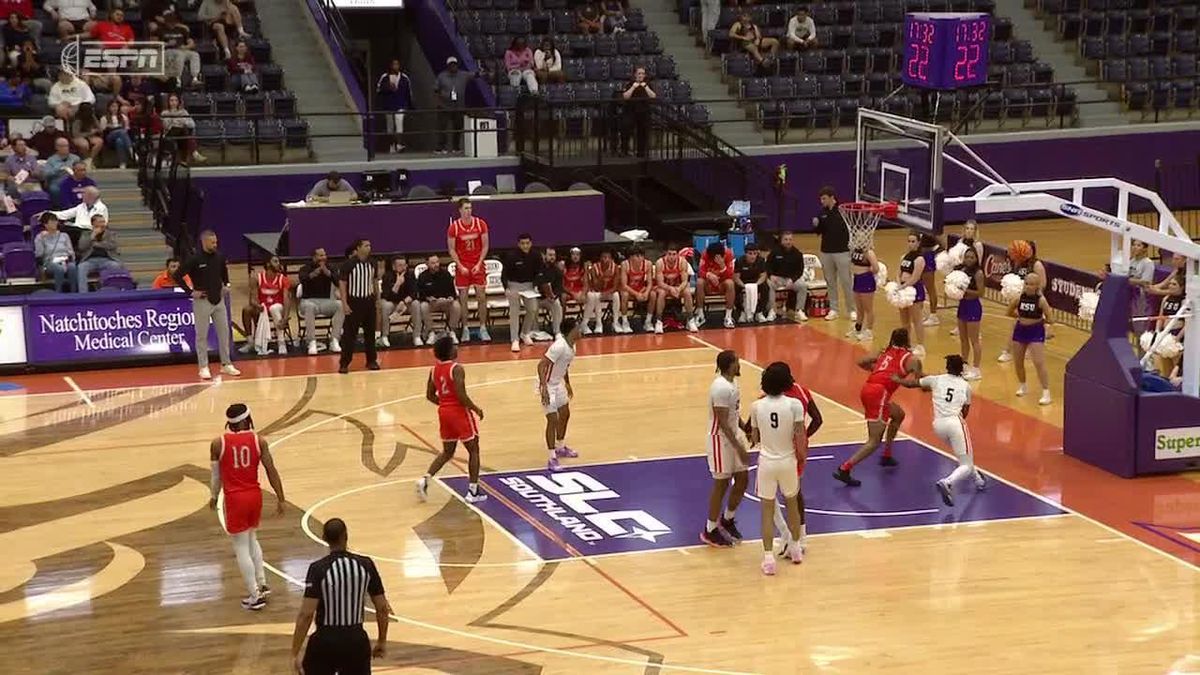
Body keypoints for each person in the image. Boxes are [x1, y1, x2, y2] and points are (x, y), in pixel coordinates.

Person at [208, 403, 284, 611]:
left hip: (235, 498)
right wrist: (280, 497)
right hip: (255, 495)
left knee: (241, 547)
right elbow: (271, 470)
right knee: (252, 539)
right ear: (248, 419)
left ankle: (254, 594)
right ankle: (262, 583)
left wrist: (214, 497)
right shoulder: (259, 441)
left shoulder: (218, 443)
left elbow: (215, 477)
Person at [292, 519, 391, 675]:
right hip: (356, 640)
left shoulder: (318, 569)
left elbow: (306, 614)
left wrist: (295, 652)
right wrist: (381, 640)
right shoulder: (366, 565)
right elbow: (382, 608)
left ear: (324, 538)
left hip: (325, 641)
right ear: (346, 536)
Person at [834, 328, 922, 487]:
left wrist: (877, 370)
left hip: (869, 388)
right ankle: (845, 468)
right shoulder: (912, 359)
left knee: (899, 415)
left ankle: (887, 455)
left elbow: (861, 362)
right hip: (879, 393)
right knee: (874, 440)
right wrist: (901, 380)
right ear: (908, 340)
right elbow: (917, 383)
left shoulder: (884, 353)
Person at [894, 355, 986, 507]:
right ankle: (947, 482)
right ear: (961, 369)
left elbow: (911, 384)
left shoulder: (936, 379)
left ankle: (978, 480)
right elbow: (965, 411)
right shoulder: (965, 386)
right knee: (966, 463)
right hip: (955, 424)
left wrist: (897, 380)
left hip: (938, 425)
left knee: (962, 456)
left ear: (947, 367)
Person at [750, 362, 809, 574]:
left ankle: (768, 559)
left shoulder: (756, 406)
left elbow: (755, 437)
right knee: (792, 505)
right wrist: (801, 457)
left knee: (767, 511)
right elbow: (800, 435)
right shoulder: (795, 405)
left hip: (767, 461)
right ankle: (795, 548)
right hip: (788, 460)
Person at [417, 335, 487, 503]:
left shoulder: (434, 370)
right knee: (474, 450)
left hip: (444, 412)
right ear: (449, 351)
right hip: (458, 412)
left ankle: (425, 479)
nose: (457, 348)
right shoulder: (456, 368)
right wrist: (475, 408)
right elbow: (461, 396)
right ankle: (473, 491)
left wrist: (445, 404)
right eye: (454, 346)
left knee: (447, 452)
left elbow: (429, 395)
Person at [176, 230, 240, 380]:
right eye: (212, 242)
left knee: (224, 333)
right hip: (202, 301)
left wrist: (227, 285)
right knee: (201, 335)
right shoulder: (194, 259)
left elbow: (224, 273)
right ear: (204, 242)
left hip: (219, 300)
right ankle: (203, 366)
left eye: (216, 242)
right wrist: (190, 292)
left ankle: (226, 364)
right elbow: (177, 275)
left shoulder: (219, 256)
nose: (215, 244)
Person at [702, 349, 750, 548]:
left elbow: (733, 413)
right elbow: (722, 421)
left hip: (733, 434)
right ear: (729, 365)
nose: (740, 365)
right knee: (721, 485)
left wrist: (745, 427)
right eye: (737, 361)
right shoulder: (720, 388)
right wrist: (738, 446)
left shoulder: (733, 383)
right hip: (720, 439)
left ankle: (728, 519)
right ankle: (710, 530)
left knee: (742, 479)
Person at [539, 318, 582, 471]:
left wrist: (568, 383)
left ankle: (560, 447)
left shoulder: (572, 347)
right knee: (553, 419)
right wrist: (543, 388)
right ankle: (551, 458)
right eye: (578, 328)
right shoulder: (559, 346)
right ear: (571, 331)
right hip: (547, 385)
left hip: (558, 384)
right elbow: (541, 365)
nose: (580, 330)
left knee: (565, 413)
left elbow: (564, 366)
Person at [447, 198, 490, 343]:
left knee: (481, 298)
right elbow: (451, 249)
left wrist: (479, 263)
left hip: (477, 264)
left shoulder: (480, 224)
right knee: (463, 300)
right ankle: (465, 328)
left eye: (470, 208)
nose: (468, 211)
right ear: (460, 210)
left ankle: (483, 327)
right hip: (462, 266)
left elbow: (485, 246)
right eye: (466, 208)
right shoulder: (454, 227)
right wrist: (459, 265)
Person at [996, 239, 1046, 363]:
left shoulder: (1037, 265)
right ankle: (1010, 351)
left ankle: (1010, 351)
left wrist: (1033, 296)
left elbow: (1043, 284)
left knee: (1023, 325)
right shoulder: (1018, 263)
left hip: (1034, 300)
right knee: (1018, 324)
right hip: (1022, 299)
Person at [1008, 272, 1053, 405]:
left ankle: (1046, 392)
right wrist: (1021, 317)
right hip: (1020, 330)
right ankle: (1023, 385)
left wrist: (1040, 322)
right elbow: (1008, 311)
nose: (1028, 286)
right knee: (1018, 361)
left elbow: (1050, 318)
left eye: (1032, 284)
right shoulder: (1019, 298)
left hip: (1036, 331)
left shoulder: (1041, 300)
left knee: (1039, 362)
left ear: (1037, 286)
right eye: (1026, 283)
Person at [338, 238, 381, 374]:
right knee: (349, 335)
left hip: (368, 301)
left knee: (370, 333)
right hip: (354, 302)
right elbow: (343, 284)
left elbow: (375, 282)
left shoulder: (373, 263)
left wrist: (377, 299)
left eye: (370, 245)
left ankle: (371, 360)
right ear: (358, 248)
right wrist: (344, 303)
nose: (369, 248)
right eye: (366, 245)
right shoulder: (349, 264)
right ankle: (344, 363)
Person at [813, 186, 853, 322]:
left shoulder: (843, 211)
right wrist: (816, 225)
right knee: (830, 282)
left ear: (831, 197)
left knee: (846, 281)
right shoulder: (822, 213)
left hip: (842, 252)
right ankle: (834, 309)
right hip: (826, 252)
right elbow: (819, 232)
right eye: (821, 199)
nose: (822, 201)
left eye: (824, 198)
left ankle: (852, 310)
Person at [297, 247, 345, 355]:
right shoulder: (305, 268)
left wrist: (328, 273)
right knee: (309, 307)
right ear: (314, 257)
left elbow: (338, 282)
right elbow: (302, 280)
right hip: (308, 301)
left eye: (324, 255)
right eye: (321, 255)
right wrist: (313, 274)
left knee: (341, 306)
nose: (324, 257)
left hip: (325, 301)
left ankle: (334, 340)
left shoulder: (330, 268)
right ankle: (312, 341)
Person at [244, 254, 290, 357]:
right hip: (263, 308)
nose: (278, 264)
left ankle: (281, 342)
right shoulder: (257, 278)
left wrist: (285, 318)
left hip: (278, 307)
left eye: (278, 261)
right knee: (247, 310)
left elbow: (287, 300)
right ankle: (250, 341)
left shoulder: (283, 279)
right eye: (275, 261)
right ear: (268, 264)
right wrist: (258, 306)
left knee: (274, 308)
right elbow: (252, 300)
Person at [504, 232, 542, 352]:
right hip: (513, 285)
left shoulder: (536, 255)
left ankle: (525, 333)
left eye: (527, 243)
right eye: (522, 243)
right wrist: (507, 288)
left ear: (531, 243)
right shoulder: (511, 256)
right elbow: (504, 274)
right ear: (518, 244)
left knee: (533, 309)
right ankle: (514, 339)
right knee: (514, 311)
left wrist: (536, 285)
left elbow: (540, 273)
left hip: (529, 285)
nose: (525, 246)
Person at [955, 247, 985, 380]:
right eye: (967, 257)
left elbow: (980, 293)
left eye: (972, 257)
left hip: (973, 306)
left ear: (976, 259)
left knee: (974, 340)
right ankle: (965, 364)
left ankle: (976, 369)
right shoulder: (961, 270)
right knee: (963, 338)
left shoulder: (978, 273)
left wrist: (965, 290)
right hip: (963, 305)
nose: (969, 259)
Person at [417, 255, 462, 344]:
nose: (436, 265)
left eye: (437, 262)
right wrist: (428, 298)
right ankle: (431, 332)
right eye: (433, 263)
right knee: (423, 306)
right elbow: (420, 295)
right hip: (432, 303)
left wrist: (450, 298)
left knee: (456, 305)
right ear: (427, 264)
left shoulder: (446, 274)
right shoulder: (423, 276)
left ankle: (451, 330)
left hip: (445, 302)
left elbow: (452, 292)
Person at [75, 214, 124, 292]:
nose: (103, 224)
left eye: (103, 222)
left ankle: (115, 290)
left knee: (115, 265)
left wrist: (96, 244)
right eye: (100, 222)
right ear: (93, 223)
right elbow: (81, 247)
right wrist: (92, 236)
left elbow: (112, 245)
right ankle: (83, 294)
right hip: (90, 260)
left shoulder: (110, 234)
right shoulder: (86, 234)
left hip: (107, 259)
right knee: (81, 267)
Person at [654, 242, 696, 333]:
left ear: (677, 255)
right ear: (666, 254)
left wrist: (678, 289)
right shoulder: (660, 263)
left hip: (677, 287)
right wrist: (670, 288)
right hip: (664, 287)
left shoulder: (682, 262)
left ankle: (690, 320)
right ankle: (659, 321)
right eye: (669, 254)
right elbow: (660, 283)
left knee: (687, 292)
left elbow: (685, 281)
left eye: (674, 254)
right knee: (661, 293)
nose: (671, 257)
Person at [766, 231, 808, 322]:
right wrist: (771, 275)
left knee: (803, 286)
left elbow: (800, 271)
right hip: (778, 279)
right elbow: (767, 266)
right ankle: (772, 310)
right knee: (769, 285)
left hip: (791, 280)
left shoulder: (797, 254)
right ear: (781, 240)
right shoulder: (774, 252)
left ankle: (799, 310)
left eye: (790, 239)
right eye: (786, 239)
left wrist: (792, 280)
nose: (788, 242)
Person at [897, 233, 928, 358]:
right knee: (904, 320)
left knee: (917, 319)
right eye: (909, 241)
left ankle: (920, 346)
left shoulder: (920, 259)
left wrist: (903, 287)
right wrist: (899, 284)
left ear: (918, 243)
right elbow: (898, 272)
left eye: (913, 241)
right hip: (903, 288)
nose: (911, 243)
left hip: (914, 289)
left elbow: (915, 277)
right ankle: (906, 343)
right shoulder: (904, 257)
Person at [379, 255, 419, 347]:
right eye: (400, 265)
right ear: (393, 267)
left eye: (404, 265)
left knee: (416, 304)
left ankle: (416, 336)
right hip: (393, 303)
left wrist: (404, 302)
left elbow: (414, 293)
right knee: (385, 305)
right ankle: (385, 336)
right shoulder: (387, 276)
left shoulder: (410, 274)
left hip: (406, 303)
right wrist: (397, 284)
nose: (403, 267)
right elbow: (387, 296)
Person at [695, 241, 737, 329]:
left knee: (730, 283)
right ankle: (700, 315)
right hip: (708, 285)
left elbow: (731, 275)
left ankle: (728, 316)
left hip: (721, 284)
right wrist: (708, 275)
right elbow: (700, 271)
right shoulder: (705, 254)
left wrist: (722, 266)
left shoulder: (729, 254)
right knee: (699, 282)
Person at [435, 56, 471, 154]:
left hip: (459, 107)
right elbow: (436, 90)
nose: (453, 67)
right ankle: (441, 147)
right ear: (448, 66)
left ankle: (456, 147)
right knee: (442, 127)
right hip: (444, 106)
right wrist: (438, 102)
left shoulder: (463, 75)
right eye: (451, 65)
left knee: (458, 127)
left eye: (455, 65)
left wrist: (485, 74)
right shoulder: (441, 76)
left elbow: (474, 75)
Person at [376, 58, 411, 152]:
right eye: (394, 64)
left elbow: (408, 93)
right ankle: (392, 145)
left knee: (399, 124)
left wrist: (408, 106)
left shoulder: (404, 78)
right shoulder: (384, 77)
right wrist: (388, 87)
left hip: (400, 105)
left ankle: (399, 144)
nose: (395, 66)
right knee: (390, 128)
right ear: (390, 65)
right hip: (388, 106)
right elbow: (378, 90)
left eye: (397, 64)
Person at [34, 212, 75, 292]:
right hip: (50, 262)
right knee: (59, 269)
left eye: (55, 221)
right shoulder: (40, 237)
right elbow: (39, 254)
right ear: (45, 225)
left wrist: (69, 258)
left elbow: (71, 252)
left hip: (65, 260)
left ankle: (74, 292)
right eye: (51, 222)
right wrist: (44, 239)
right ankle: (58, 292)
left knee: (72, 267)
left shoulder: (64, 235)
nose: (54, 223)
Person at [848, 235, 879, 341]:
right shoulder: (855, 251)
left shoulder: (869, 252)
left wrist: (866, 272)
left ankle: (869, 332)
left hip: (866, 280)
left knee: (868, 308)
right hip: (856, 279)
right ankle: (858, 329)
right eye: (858, 238)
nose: (859, 240)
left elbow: (876, 268)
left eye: (862, 238)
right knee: (859, 308)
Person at [620, 66, 655, 158]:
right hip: (631, 111)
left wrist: (646, 87)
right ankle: (624, 150)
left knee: (643, 132)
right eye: (639, 73)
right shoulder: (630, 84)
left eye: (643, 73)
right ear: (635, 74)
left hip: (644, 112)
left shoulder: (647, 84)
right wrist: (633, 87)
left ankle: (641, 152)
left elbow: (653, 96)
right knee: (626, 130)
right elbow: (625, 96)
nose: (641, 75)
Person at [618, 245, 654, 332]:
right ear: (630, 257)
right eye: (637, 256)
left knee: (653, 294)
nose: (640, 258)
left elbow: (650, 283)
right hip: (629, 289)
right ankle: (625, 322)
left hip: (641, 289)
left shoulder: (648, 264)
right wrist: (636, 294)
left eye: (641, 255)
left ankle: (648, 321)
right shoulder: (625, 264)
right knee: (625, 295)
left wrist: (645, 292)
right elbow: (624, 285)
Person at [586, 247, 619, 334]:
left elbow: (616, 286)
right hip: (598, 291)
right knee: (596, 296)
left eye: (608, 257)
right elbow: (596, 286)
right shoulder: (594, 267)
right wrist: (603, 276)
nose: (606, 259)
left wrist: (607, 293)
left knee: (616, 295)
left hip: (609, 291)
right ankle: (599, 324)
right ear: (600, 258)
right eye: (604, 257)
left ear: (611, 259)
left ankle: (615, 323)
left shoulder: (615, 267)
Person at [735, 242, 769, 323]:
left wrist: (756, 285)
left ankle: (759, 312)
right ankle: (742, 313)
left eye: (755, 253)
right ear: (745, 254)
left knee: (766, 287)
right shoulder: (739, 261)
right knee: (734, 288)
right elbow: (736, 277)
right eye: (750, 254)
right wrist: (744, 286)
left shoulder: (761, 260)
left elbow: (763, 275)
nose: (753, 256)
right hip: (743, 282)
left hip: (756, 282)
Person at [535, 247, 565, 338]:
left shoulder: (557, 271)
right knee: (532, 305)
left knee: (557, 304)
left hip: (549, 299)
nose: (552, 257)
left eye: (554, 255)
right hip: (536, 298)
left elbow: (559, 288)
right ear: (545, 256)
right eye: (550, 255)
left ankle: (557, 331)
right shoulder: (537, 269)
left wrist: (554, 296)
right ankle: (534, 331)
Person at [919, 233, 946, 327]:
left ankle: (933, 316)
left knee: (930, 288)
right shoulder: (918, 224)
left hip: (928, 258)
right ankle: (920, 313)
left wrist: (933, 253)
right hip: (919, 256)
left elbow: (943, 245)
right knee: (919, 285)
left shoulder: (932, 228)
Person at [44, 136, 81, 208]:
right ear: (57, 147)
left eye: (67, 146)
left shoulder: (75, 158)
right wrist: (58, 170)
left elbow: (81, 170)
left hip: (73, 181)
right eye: (62, 146)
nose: (65, 148)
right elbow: (46, 174)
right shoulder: (51, 160)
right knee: (54, 189)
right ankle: (60, 208)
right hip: (57, 182)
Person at [69, 102, 104, 169]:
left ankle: (90, 160)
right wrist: (90, 133)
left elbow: (100, 129)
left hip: (88, 136)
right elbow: (75, 134)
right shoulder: (77, 120)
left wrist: (95, 121)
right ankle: (85, 160)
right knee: (85, 145)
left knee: (99, 142)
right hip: (77, 137)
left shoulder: (92, 117)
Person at [100, 99, 133, 169]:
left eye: (116, 106)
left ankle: (122, 163)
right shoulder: (104, 118)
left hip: (121, 137)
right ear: (109, 108)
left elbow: (127, 129)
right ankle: (131, 151)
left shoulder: (124, 117)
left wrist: (120, 129)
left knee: (119, 141)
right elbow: (102, 130)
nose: (115, 108)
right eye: (112, 106)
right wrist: (109, 127)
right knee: (121, 132)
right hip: (109, 137)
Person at [562, 247, 590, 327]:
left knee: (590, 297)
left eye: (577, 255)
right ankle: (562, 321)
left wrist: (583, 294)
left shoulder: (583, 268)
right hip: (567, 291)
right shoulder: (564, 268)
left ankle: (585, 323)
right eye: (573, 254)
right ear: (570, 256)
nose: (575, 256)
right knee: (562, 297)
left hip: (579, 291)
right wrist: (572, 294)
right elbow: (562, 285)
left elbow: (586, 284)